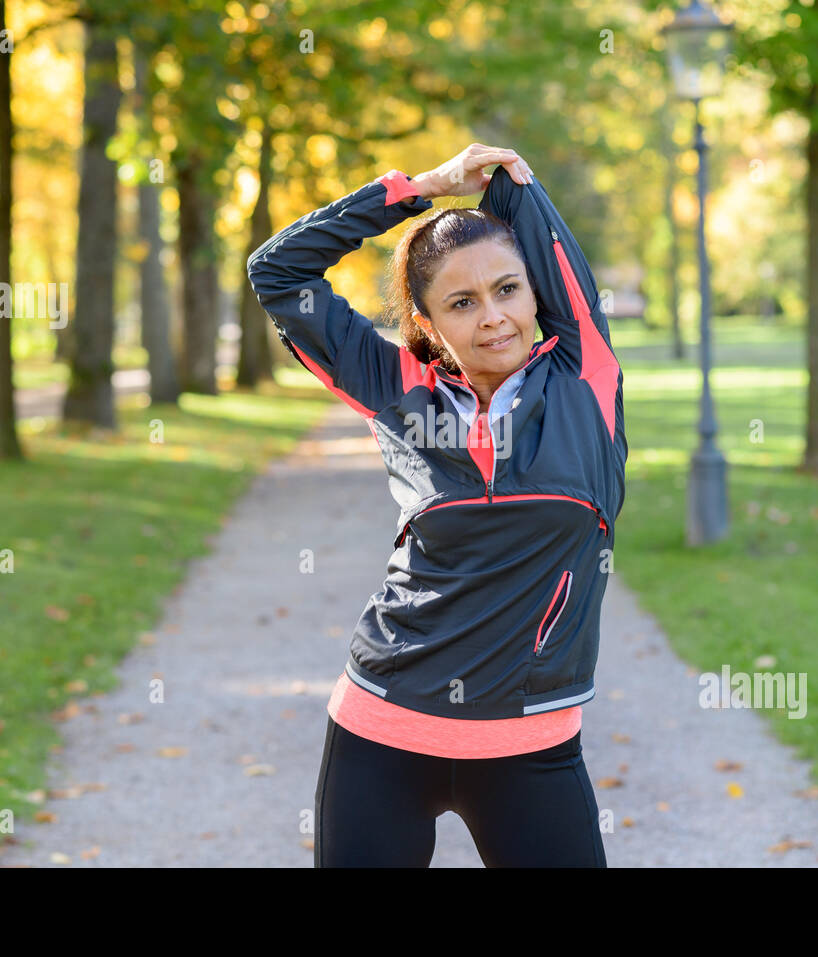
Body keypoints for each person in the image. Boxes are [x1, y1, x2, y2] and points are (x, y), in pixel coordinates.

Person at [247, 144, 627, 867]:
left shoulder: (587, 377)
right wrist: (419, 190)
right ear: (428, 320)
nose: (494, 318)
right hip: (381, 732)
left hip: (533, 750)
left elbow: (528, 207)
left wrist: (508, 187)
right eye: (462, 302)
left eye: (508, 289)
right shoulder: (396, 386)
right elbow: (277, 270)